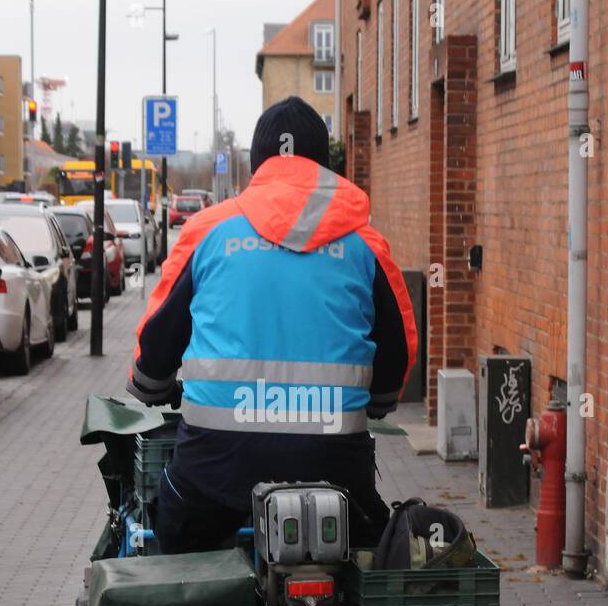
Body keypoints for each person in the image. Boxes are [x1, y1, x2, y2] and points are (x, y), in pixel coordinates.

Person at [129, 96, 417, 554]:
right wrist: (379, 398)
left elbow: (157, 341)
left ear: (256, 163)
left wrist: (151, 384)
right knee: (366, 553)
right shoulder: (366, 243)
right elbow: (398, 352)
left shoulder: (207, 230)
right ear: (326, 166)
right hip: (336, 473)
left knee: (173, 541)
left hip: (213, 473)